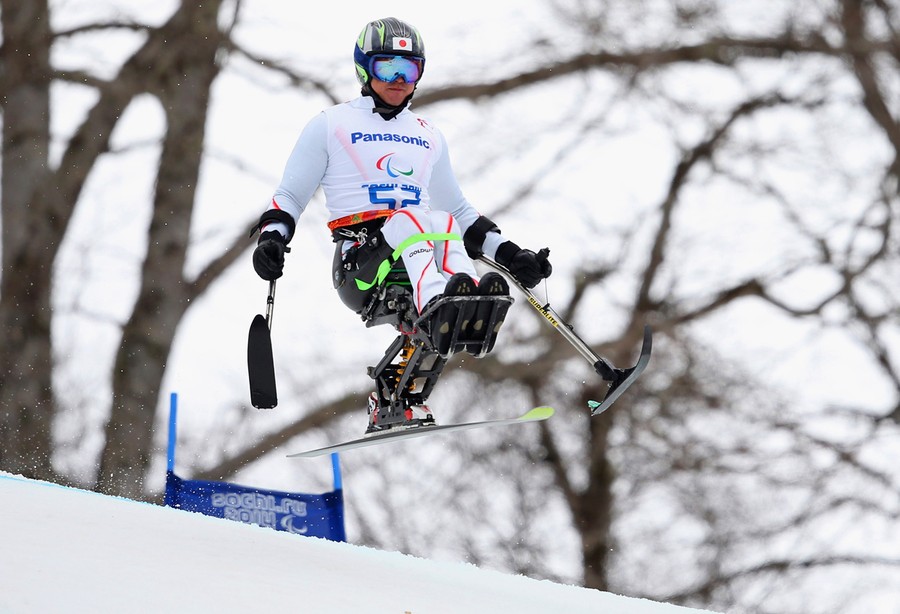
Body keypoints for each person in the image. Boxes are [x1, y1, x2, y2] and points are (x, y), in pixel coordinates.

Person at [251, 17, 551, 432]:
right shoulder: (331, 124)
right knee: (412, 218)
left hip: (414, 257)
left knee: (442, 219)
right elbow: (289, 196)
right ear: (364, 69)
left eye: (408, 70)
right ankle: (438, 300)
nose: (398, 79)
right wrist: (271, 240)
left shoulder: (428, 134)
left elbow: (462, 214)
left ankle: (451, 319)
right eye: (387, 67)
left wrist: (512, 255)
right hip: (360, 267)